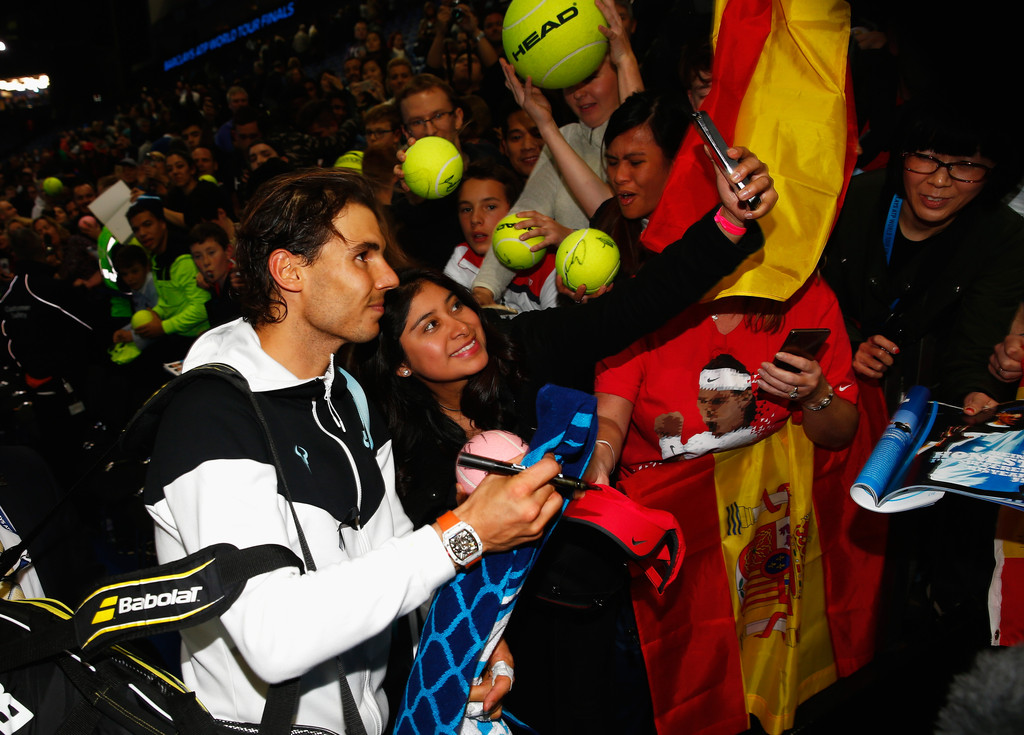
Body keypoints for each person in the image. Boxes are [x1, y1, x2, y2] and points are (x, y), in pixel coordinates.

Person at [363, 149, 775, 732]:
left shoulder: (523, 345)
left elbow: (635, 307)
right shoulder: (397, 450)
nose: (459, 325)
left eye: (456, 304)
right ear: (400, 366)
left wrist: (727, 224)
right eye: (429, 325)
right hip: (492, 636)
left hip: (583, 602)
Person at [144, 169, 564, 733]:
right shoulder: (210, 415)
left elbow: (393, 546)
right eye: (363, 256)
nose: (389, 276)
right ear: (289, 271)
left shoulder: (348, 393)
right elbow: (273, 637)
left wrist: (469, 643)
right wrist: (468, 531)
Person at [821, 97, 1024, 414]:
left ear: (992, 173)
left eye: (966, 166)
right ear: (902, 155)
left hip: (926, 400)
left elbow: (977, 342)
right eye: (926, 158)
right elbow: (813, 295)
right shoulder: (852, 200)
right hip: (829, 386)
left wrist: (976, 394)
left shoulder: (1003, 235)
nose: (940, 181)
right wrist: (848, 343)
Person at [443, 161, 557, 313]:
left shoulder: (550, 266)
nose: (475, 219)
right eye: (466, 209)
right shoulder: (463, 257)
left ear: (517, 211)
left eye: (490, 207)